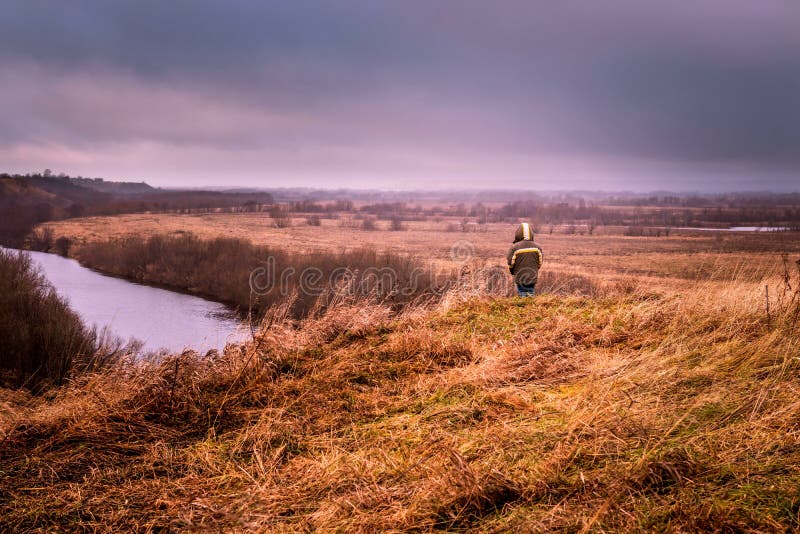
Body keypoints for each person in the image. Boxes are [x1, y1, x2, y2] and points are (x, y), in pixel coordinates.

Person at [507, 222, 543, 297]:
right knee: (531, 293)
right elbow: (540, 262)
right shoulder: (537, 247)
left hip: (520, 276)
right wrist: (534, 270)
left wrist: (513, 271)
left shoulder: (515, 247)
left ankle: (523, 306)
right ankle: (530, 307)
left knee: (522, 293)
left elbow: (511, 263)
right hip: (532, 276)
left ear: (518, 234)